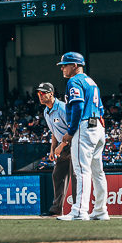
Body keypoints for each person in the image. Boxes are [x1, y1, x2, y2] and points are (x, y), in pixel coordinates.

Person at [56, 52, 109, 221]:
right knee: (97, 172)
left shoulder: (74, 81)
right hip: (98, 127)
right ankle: (101, 211)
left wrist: (71, 132)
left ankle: (79, 211)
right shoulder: (91, 82)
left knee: (82, 171)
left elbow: (78, 107)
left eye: (65, 64)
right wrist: (99, 128)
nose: (63, 68)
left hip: (85, 126)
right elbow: (100, 109)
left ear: (75, 66)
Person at [36, 81, 76, 216]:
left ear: (51, 94)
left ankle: (77, 209)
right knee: (57, 175)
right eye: (38, 93)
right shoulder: (46, 111)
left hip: (74, 143)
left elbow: (73, 129)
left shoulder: (63, 108)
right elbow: (54, 131)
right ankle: (57, 209)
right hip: (61, 146)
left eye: (43, 93)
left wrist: (61, 146)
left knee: (75, 177)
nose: (40, 96)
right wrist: (53, 148)